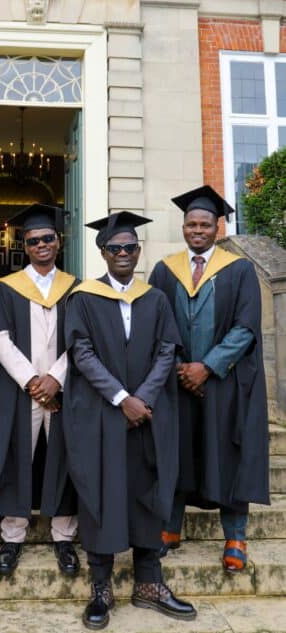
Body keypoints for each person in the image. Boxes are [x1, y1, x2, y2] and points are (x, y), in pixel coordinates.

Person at [64, 211, 197, 630]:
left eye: (130, 247)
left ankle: (149, 583)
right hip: (101, 417)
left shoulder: (154, 298)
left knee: (147, 491)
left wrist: (142, 398)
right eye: (114, 248)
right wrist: (122, 398)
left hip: (147, 416)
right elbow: (81, 353)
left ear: (138, 252)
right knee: (100, 493)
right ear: (102, 253)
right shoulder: (83, 298)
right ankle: (101, 587)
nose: (123, 254)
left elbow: (166, 351)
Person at [149, 185, 269, 572]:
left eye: (204, 224)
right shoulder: (165, 270)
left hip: (224, 383)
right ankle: (169, 528)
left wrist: (208, 365)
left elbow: (246, 328)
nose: (197, 230)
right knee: (176, 451)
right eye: (191, 224)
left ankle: (235, 536)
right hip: (176, 380)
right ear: (183, 227)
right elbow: (156, 324)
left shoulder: (239, 270)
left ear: (217, 227)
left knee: (230, 453)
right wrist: (181, 366)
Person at [0, 204, 80, 578]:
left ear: (58, 241)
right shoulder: (6, 288)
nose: (41, 244)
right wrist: (33, 382)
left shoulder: (75, 288)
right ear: (25, 244)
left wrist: (56, 377)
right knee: (17, 457)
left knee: (64, 458)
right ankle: (13, 536)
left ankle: (64, 536)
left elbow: (82, 341)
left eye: (47, 239)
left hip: (62, 388)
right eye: (34, 240)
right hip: (22, 390)